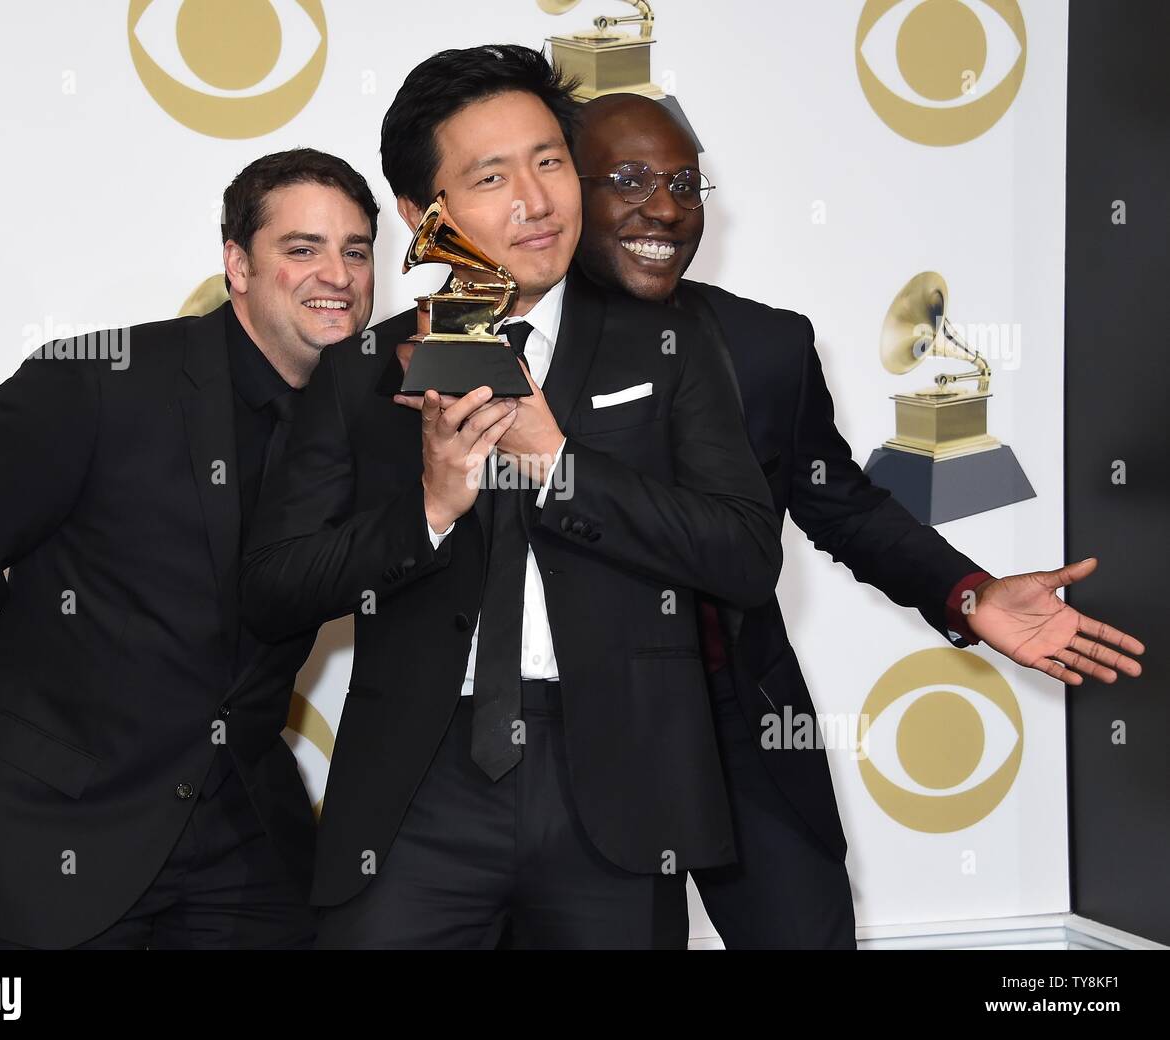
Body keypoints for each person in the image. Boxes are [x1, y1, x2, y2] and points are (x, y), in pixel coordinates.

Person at [570, 92, 1145, 949]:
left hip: (743, 720)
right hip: (578, 730)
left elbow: (840, 504)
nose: (664, 206)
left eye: (686, 182)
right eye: (628, 179)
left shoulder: (767, 346)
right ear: (561, 192)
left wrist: (968, 593)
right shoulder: (514, 349)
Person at [240, 45, 781, 949]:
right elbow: (274, 587)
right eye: (491, 176)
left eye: (550, 162)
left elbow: (742, 553)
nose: (536, 201)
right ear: (423, 214)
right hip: (416, 790)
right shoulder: (359, 373)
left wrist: (558, 460)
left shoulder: (671, 345)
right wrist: (430, 508)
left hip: (617, 788)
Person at [0, 147, 378, 949]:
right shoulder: (97, 381)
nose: (337, 273)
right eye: (302, 248)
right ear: (238, 264)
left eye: (355, 251)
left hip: (246, 835)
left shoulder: (370, 425)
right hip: (64, 824)